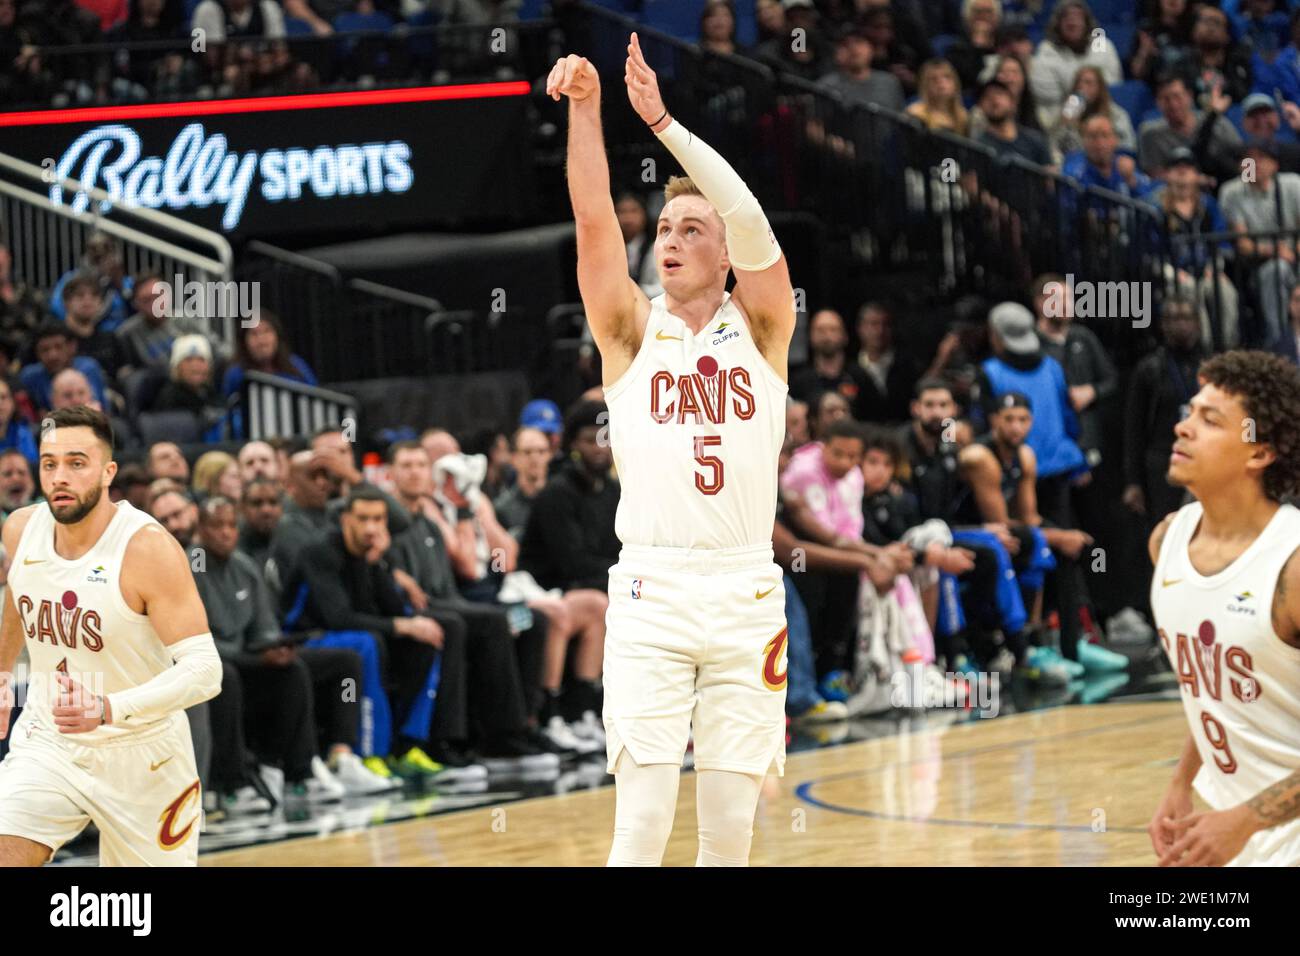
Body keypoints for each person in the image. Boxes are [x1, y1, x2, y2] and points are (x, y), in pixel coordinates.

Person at [549, 33, 795, 866]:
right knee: (641, 829)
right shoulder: (628, 328)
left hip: (745, 592)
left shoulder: (764, 327)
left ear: (726, 255)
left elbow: (753, 218)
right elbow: (591, 221)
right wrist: (588, 113)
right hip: (651, 591)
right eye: (664, 227)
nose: (672, 239)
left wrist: (659, 122)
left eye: (694, 228)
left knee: (729, 838)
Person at [0, 405, 222, 866]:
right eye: (50, 463)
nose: (60, 476)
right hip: (50, 737)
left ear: (107, 472)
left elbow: (206, 671)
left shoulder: (146, 548)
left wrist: (106, 708)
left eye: (77, 463)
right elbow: (19, 597)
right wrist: (2, 673)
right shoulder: (22, 530)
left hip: (143, 754)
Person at [1147, 350, 1300, 866]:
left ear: (1258, 453)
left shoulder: (1293, 566)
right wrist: (1181, 781)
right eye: (1190, 412)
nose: (1184, 427)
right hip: (1239, 835)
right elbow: (1216, 690)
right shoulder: (1167, 540)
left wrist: (1249, 818)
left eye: (1210, 420)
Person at [1029, 0, 1122, 131]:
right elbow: (1049, 98)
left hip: (1103, 113)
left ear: (1087, 22)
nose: (1072, 22)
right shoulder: (1045, 52)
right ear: (1057, 24)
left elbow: (1112, 86)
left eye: (1078, 17)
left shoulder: (1103, 46)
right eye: (1066, 17)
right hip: (1060, 119)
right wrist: (1082, 92)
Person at [906, 58, 969, 135]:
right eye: (934, 79)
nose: (941, 83)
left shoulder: (962, 117)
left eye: (947, 77)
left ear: (955, 82)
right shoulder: (916, 114)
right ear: (926, 86)